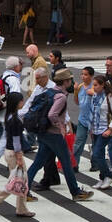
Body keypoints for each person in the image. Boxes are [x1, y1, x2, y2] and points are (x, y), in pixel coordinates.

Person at [25, 69, 93, 201]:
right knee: (67, 162)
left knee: (38, 163)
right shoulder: (61, 97)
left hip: (44, 133)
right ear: (65, 81)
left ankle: (24, 190)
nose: (71, 82)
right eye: (70, 80)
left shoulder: (50, 92)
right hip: (54, 135)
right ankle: (76, 192)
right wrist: (60, 127)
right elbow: (52, 114)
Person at [0, 93, 35, 218]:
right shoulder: (14, 119)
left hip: (9, 152)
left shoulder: (9, 116)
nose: (23, 103)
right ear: (17, 102)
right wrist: (19, 157)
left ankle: (21, 208)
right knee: (19, 181)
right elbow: (16, 140)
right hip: (14, 152)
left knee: (18, 180)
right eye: (21, 101)